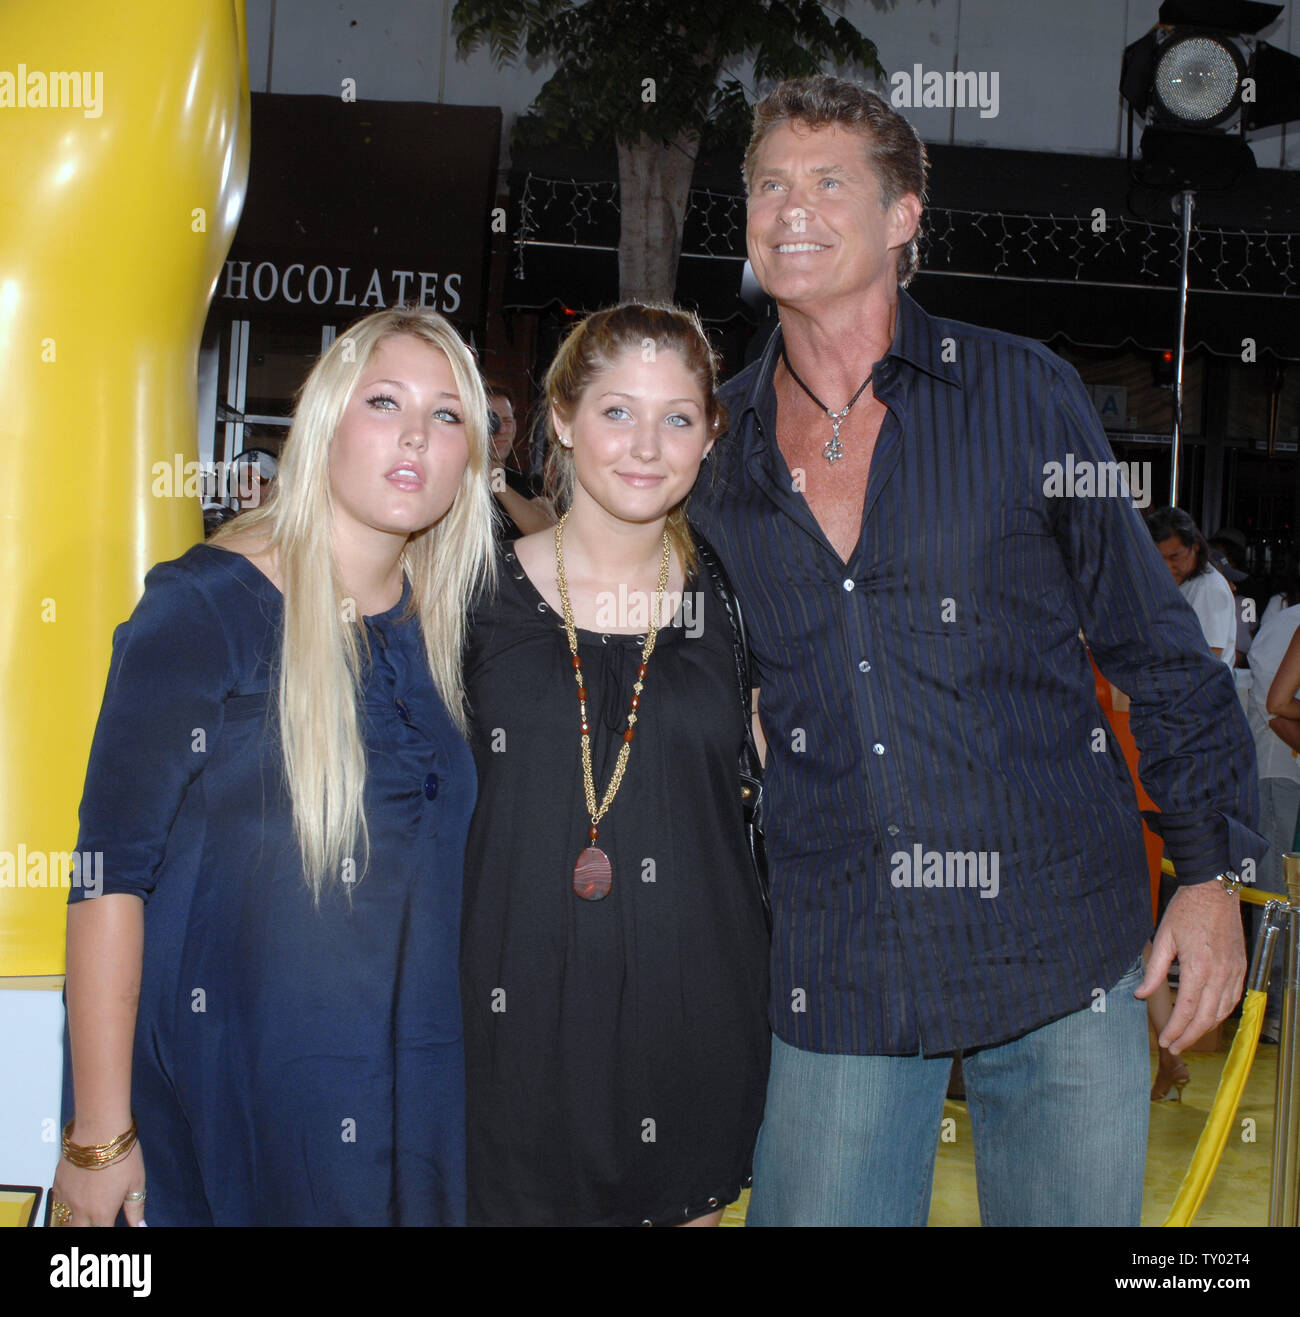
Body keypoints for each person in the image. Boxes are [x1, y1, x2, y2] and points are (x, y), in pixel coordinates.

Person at [687, 75, 1264, 1227]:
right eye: (767, 184)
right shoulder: (713, 450)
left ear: (904, 217)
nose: (789, 207)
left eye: (828, 181)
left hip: (1061, 939)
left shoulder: (1025, 392)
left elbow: (1156, 650)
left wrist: (1209, 879)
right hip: (836, 951)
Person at [53, 307, 496, 1227]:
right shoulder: (207, 603)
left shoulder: (439, 631)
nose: (417, 434)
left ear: (472, 460)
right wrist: (99, 1137)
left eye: (449, 415)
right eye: (385, 401)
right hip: (224, 1118)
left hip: (402, 1107)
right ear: (326, 421)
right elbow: (106, 874)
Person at [461, 302, 770, 1227]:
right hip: (505, 1030)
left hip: (691, 1020)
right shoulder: (468, 594)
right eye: (616, 411)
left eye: (678, 416)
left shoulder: (742, 600)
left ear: (711, 435)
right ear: (560, 417)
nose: (647, 444)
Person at [1147, 506, 1238, 665]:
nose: (1167, 566)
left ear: (1194, 547)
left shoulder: (1208, 589)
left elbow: (1208, 660)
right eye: (1158, 557)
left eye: (1175, 556)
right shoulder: (1173, 582)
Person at [486, 378, 555, 538]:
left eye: (507, 421)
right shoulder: (458, 483)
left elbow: (550, 533)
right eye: (492, 422)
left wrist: (496, 484)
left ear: (515, 427)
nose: (501, 430)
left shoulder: (529, 484)